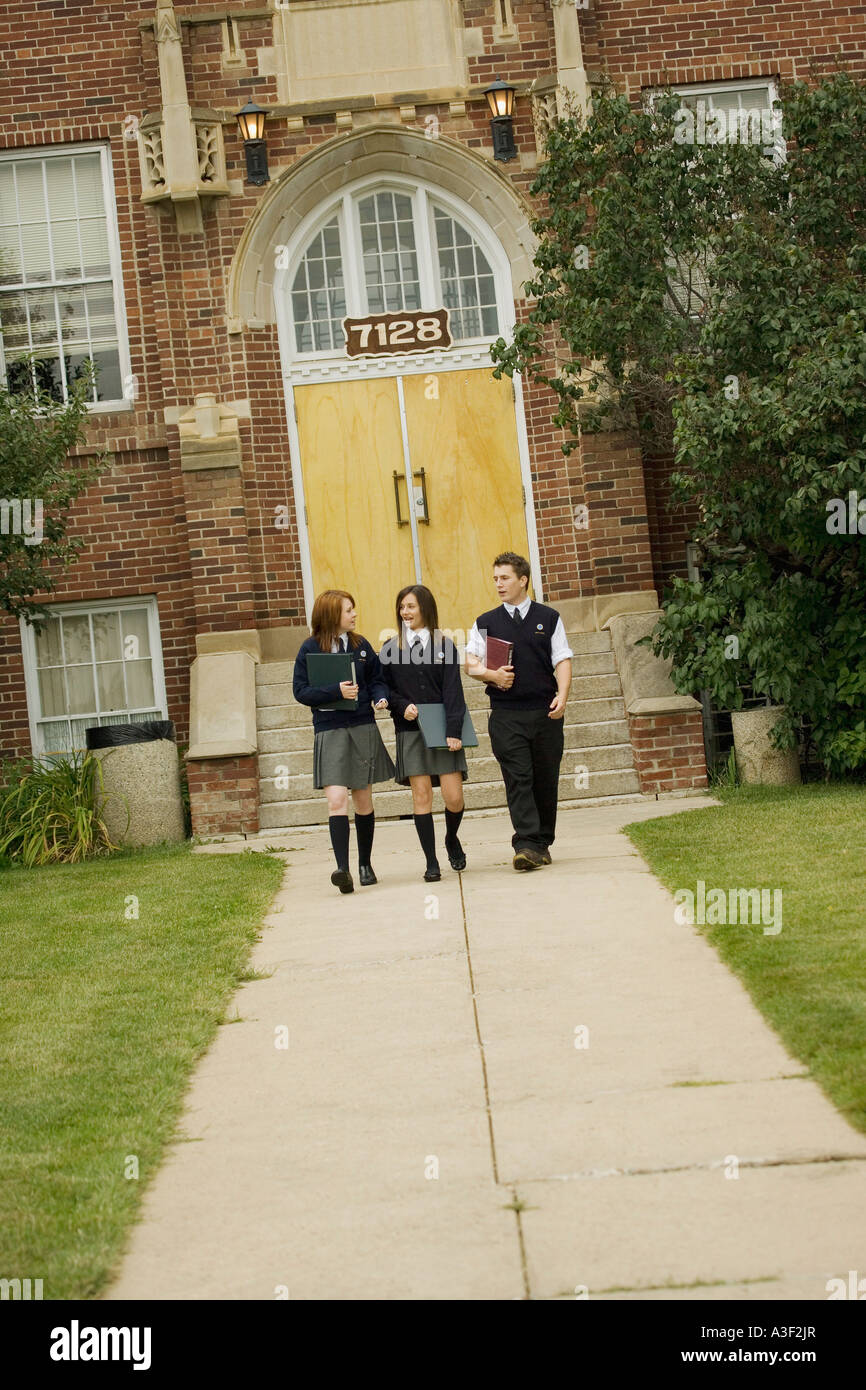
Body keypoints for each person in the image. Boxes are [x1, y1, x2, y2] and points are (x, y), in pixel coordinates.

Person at [465, 552, 572, 871]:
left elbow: (562, 659)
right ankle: (525, 842)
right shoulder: (485, 622)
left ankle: (541, 843)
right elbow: (470, 663)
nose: (498, 584)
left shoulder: (549, 618)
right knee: (519, 776)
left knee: (544, 779)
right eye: (495, 578)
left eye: (505, 578)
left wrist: (563, 696)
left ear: (523, 580)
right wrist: (491, 675)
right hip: (506, 715)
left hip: (545, 712)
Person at [293, 589, 395, 894]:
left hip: (362, 725)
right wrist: (335, 691)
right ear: (331, 614)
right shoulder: (309, 648)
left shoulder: (361, 645)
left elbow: (377, 678)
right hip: (330, 730)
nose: (354, 614)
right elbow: (301, 691)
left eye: (353, 609)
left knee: (363, 799)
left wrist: (380, 697)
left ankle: (365, 864)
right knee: (337, 800)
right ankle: (343, 868)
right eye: (348, 610)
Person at [379, 585, 468, 881]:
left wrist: (454, 730)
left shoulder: (445, 645)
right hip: (411, 731)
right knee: (421, 796)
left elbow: (453, 691)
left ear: (425, 609)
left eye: (411, 606)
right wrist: (401, 706)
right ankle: (431, 861)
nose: (405, 612)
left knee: (454, 798)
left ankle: (451, 838)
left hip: (444, 731)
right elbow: (385, 690)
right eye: (402, 607)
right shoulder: (391, 649)